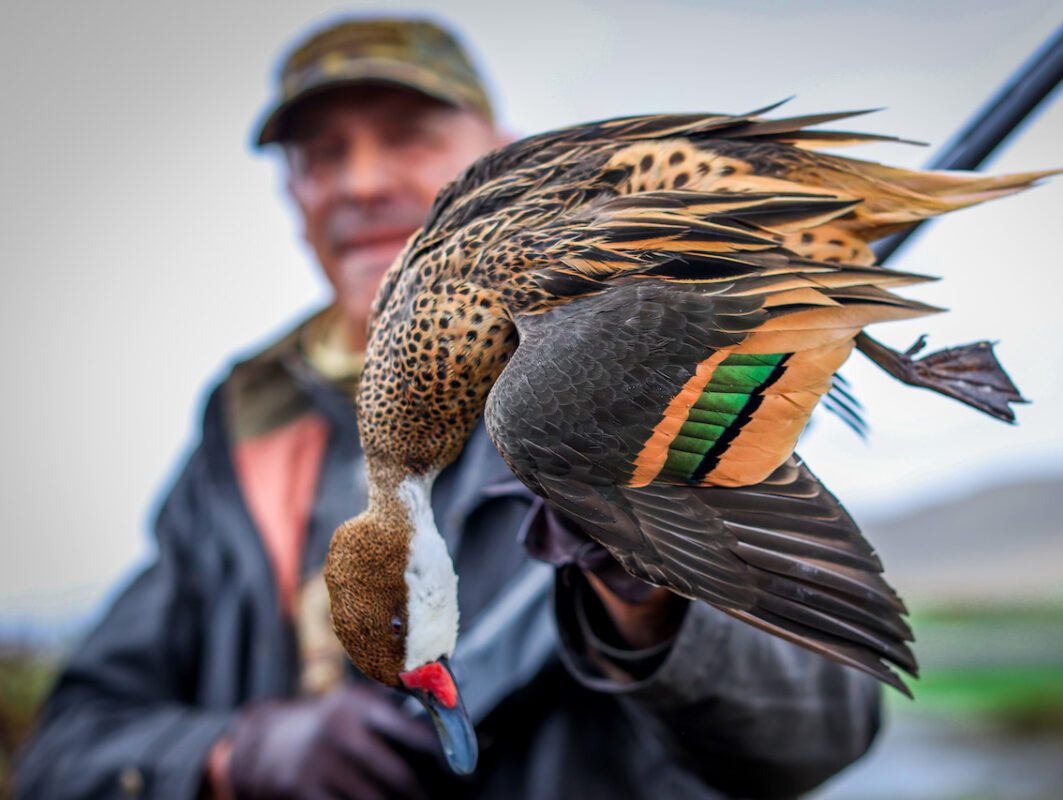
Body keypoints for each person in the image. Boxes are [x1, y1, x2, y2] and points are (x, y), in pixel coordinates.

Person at [15, 17, 882, 800]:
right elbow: (67, 753)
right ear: (293, 198)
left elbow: (818, 735)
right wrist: (239, 757)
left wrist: (649, 595)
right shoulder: (242, 422)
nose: (361, 181)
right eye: (322, 155)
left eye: (409, 137)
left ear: (500, 156)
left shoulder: (631, 355)